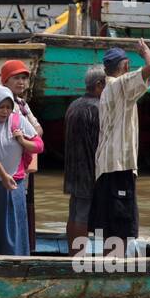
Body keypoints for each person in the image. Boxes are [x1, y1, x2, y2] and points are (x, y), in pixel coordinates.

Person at [90, 40, 150, 249]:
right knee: (121, 224)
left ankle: (109, 264)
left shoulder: (109, 89)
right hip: (119, 164)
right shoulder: (119, 85)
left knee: (109, 223)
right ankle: (117, 266)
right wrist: (145, 51)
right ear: (125, 66)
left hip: (107, 165)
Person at [0, 84, 43, 256]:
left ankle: (16, 260)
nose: (5, 111)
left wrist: (22, 141)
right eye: (1, 107)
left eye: (8, 107)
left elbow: (39, 146)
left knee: (12, 228)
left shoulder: (17, 120)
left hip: (12, 184)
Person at [63, 66, 106, 254]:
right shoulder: (98, 108)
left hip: (73, 167)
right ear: (99, 85)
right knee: (82, 216)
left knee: (74, 213)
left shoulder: (74, 105)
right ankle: (78, 258)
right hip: (90, 170)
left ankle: (73, 255)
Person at [0, 59, 43, 242]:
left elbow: (38, 130)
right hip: (8, 166)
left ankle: (22, 245)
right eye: (16, 78)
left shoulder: (22, 104)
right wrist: (28, 136)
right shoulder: (4, 103)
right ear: (5, 81)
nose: (21, 82)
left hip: (23, 164)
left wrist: (25, 137)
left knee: (22, 205)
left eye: (24, 78)